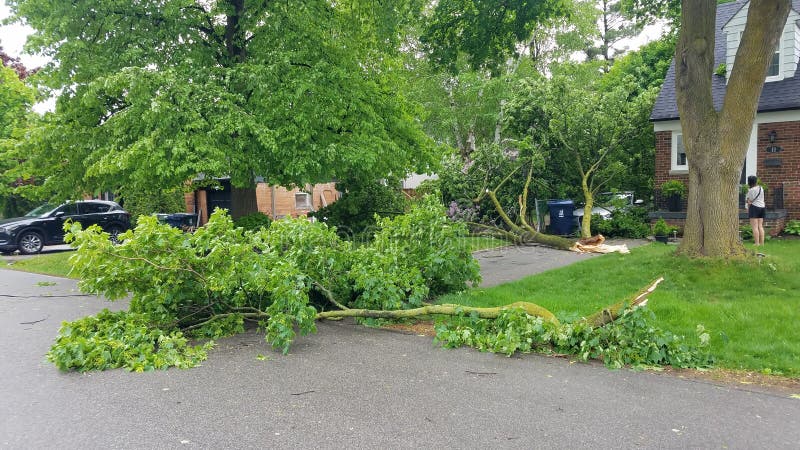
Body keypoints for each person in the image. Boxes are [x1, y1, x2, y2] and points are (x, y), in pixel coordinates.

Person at [745, 175, 766, 246]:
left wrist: (747, 206)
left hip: (754, 208)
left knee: (755, 227)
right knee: (760, 226)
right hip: (762, 207)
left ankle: (757, 243)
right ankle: (762, 243)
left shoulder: (750, 190)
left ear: (749, 182)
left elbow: (749, 201)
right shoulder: (761, 188)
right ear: (756, 181)